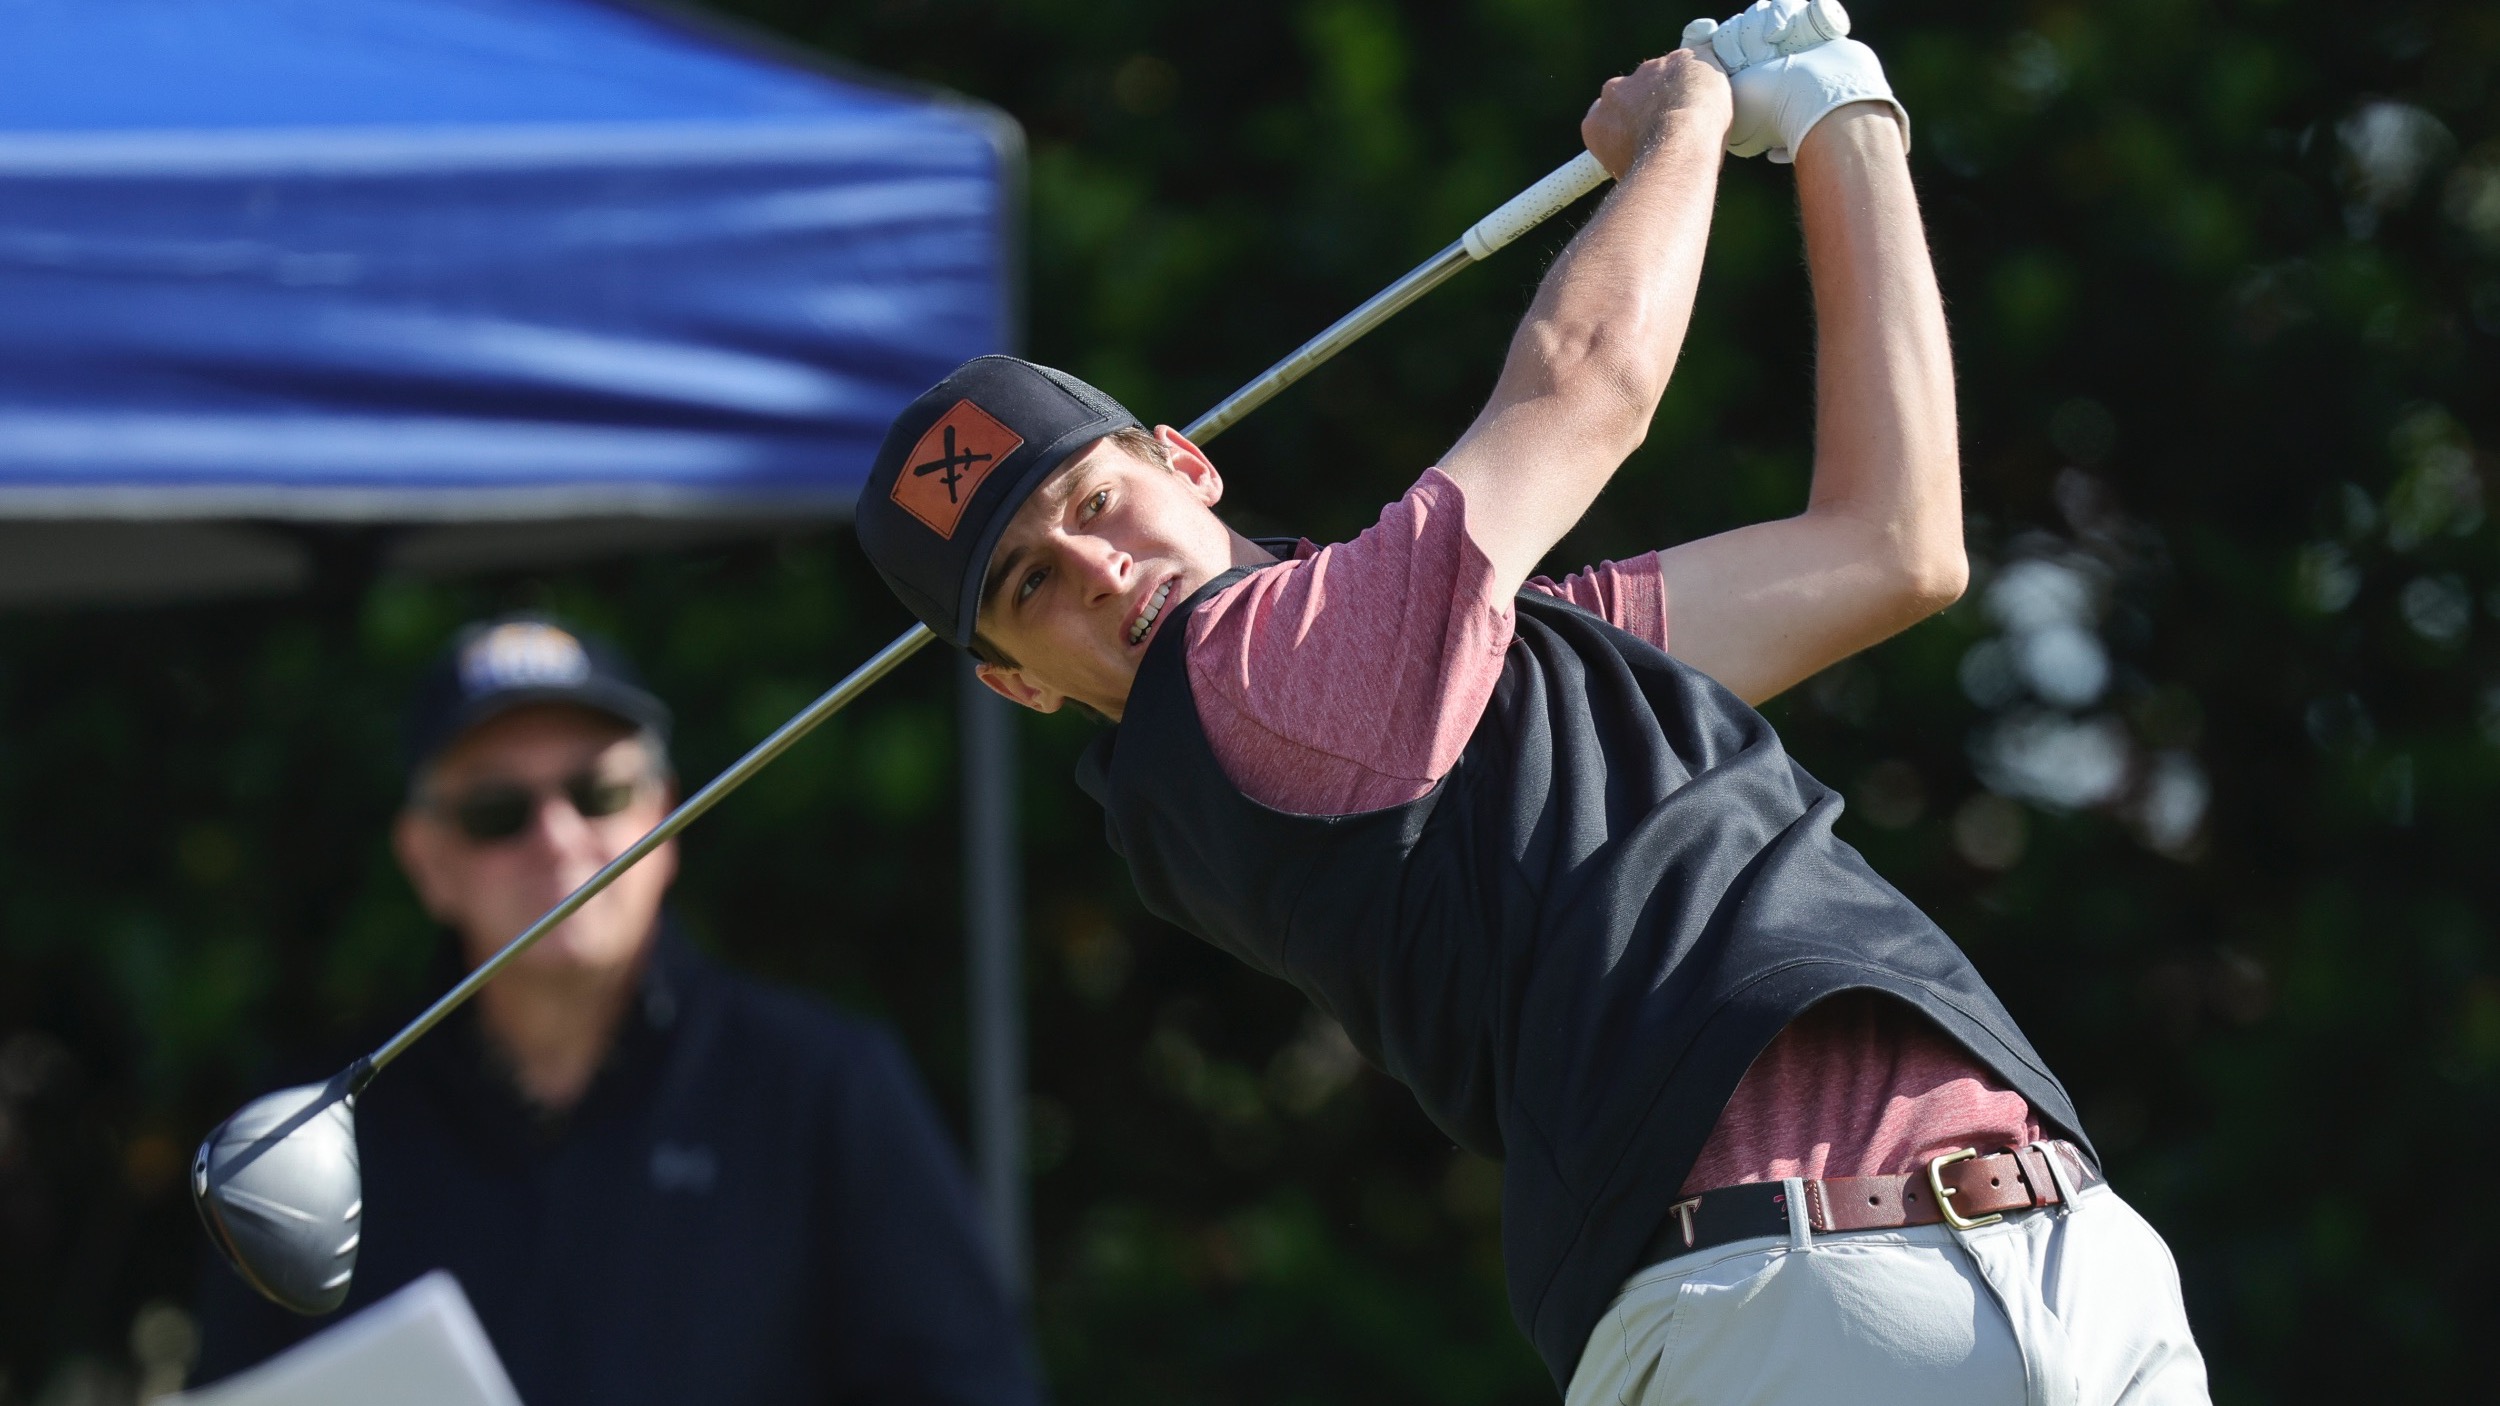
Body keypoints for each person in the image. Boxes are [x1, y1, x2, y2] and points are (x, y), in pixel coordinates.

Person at [852, 9, 2207, 1406]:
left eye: (1093, 500)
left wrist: (1843, 119)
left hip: (2056, 1255)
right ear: (1015, 679)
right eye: (1027, 586)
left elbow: (1894, 546)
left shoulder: (1476, 654)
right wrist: (1678, 127)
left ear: (1184, 464)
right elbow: (1587, 387)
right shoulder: (1244, 677)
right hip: (1785, 1301)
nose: (1095, 567)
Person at [195, 615, 1038, 1406]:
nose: (558, 839)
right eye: (498, 813)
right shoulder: (314, 1131)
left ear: (662, 815)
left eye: (597, 794)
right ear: (427, 860)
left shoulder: (823, 1085)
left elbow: (974, 1386)